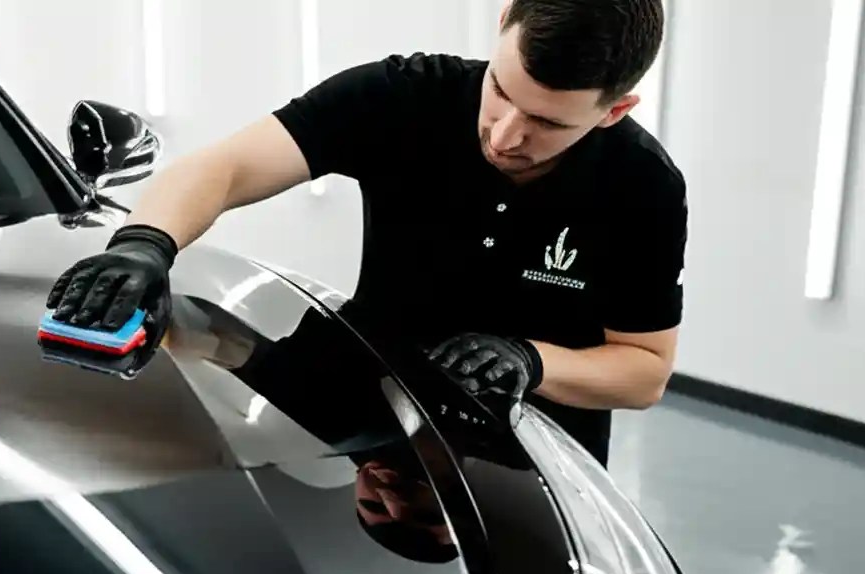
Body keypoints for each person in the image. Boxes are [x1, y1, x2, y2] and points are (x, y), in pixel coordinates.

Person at [45, 0, 686, 468]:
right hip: (361, 418)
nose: (504, 134)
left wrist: (533, 359)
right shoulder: (403, 96)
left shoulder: (642, 185)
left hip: (524, 459)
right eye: (500, 91)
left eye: (546, 122)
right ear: (501, 28)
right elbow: (228, 166)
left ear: (616, 110)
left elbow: (643, 371)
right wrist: (145, 243)